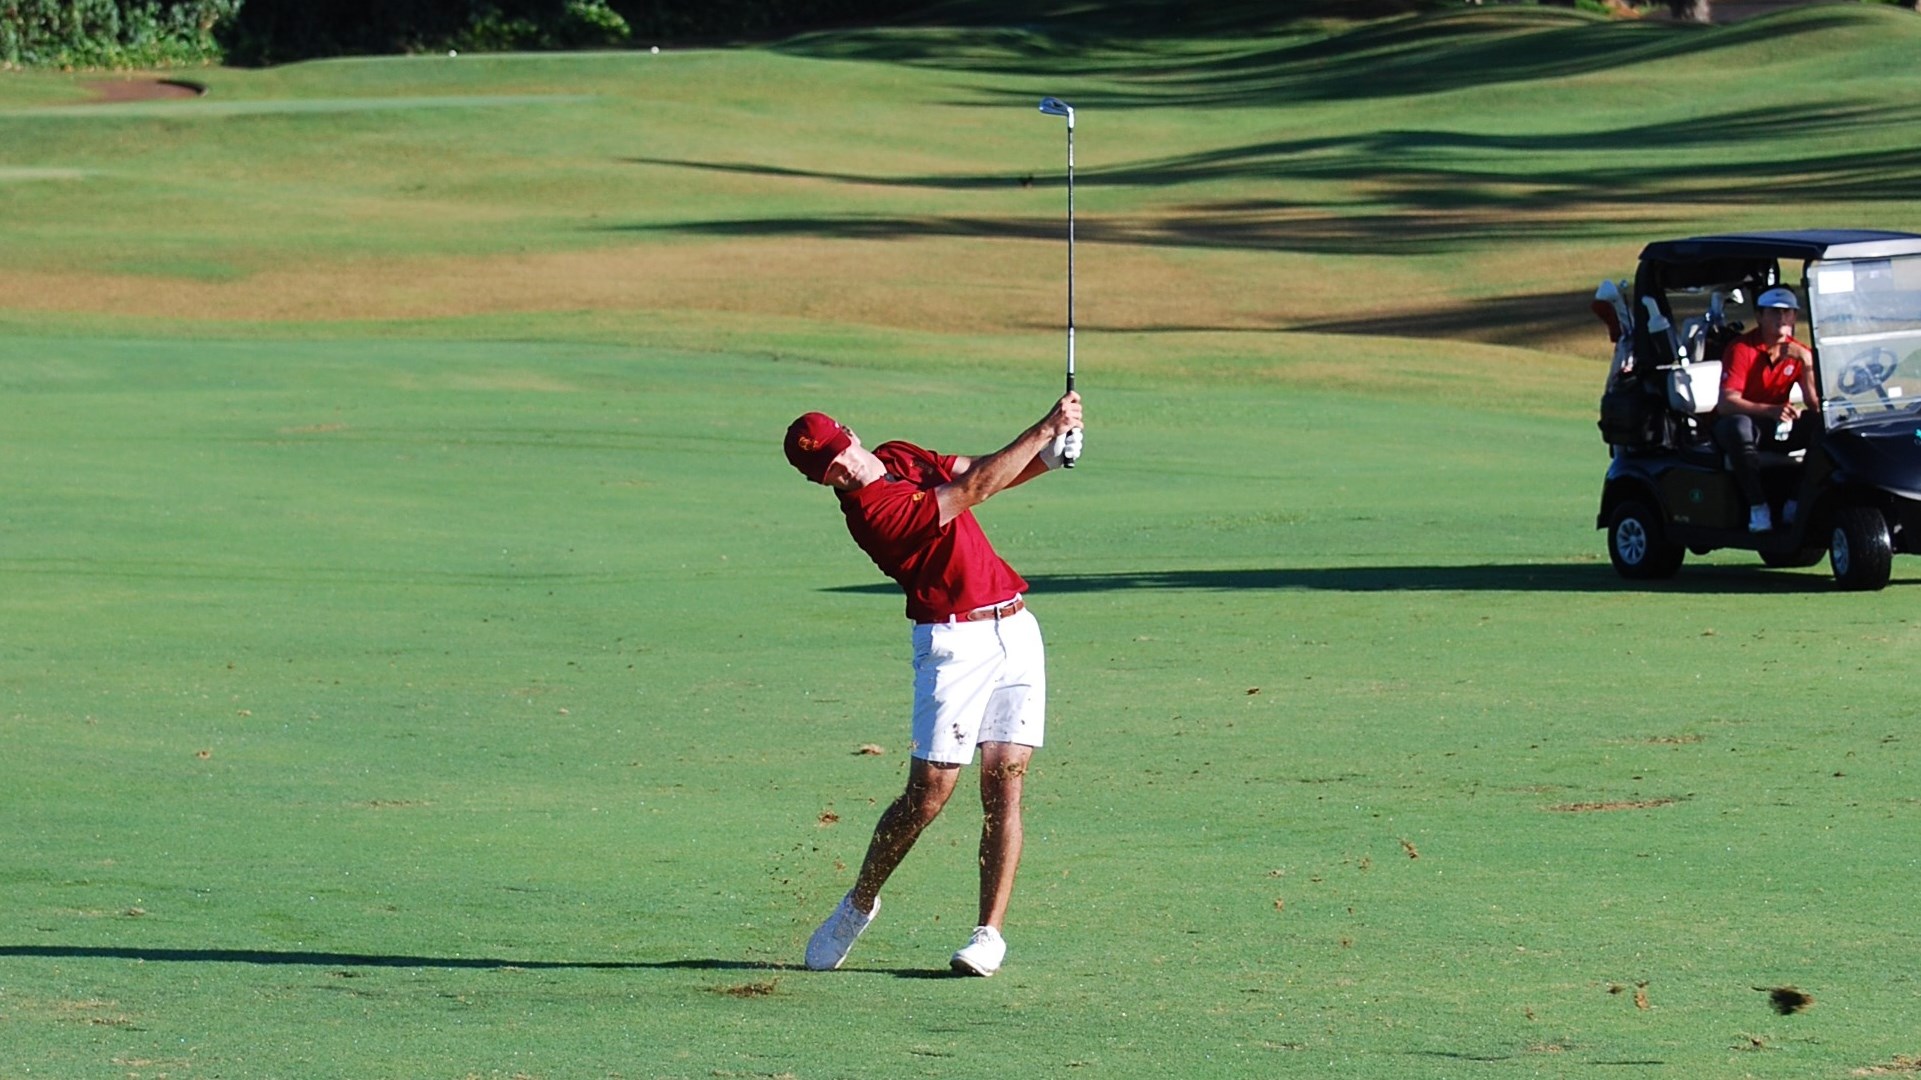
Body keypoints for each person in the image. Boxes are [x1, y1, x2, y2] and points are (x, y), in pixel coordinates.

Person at [782, 392, 1083, 977]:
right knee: (928, 794)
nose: (840, 471)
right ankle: (859, 903)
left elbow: (977, 472)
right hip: (952, 645)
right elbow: (971, 494)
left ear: (849, 435)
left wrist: (1047, 457)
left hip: (1015, 628)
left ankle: (987, 934)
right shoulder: (873, 516)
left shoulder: (901, 456)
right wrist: (1044, 425)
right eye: (828, 474)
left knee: (1006, 783)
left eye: (839, 456)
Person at [1714, 287, 1820, 532]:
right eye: (1774, 312)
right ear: (1760, 316)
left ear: (1794, 317)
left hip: (1776, 425)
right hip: (1743, 424)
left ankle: (1796, 501)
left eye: (1787, 313)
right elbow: (1727, 403)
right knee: (1739, 427)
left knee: (1824, 427)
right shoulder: (1742, 349)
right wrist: (1771, 410)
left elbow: (1814, 404)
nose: (1782, 319)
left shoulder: (1799, 352)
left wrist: (1806, 364)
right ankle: (1758, 507)